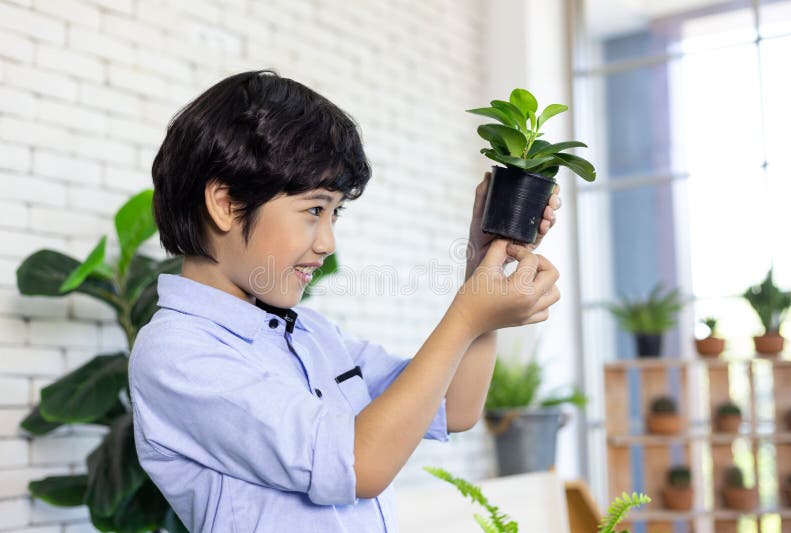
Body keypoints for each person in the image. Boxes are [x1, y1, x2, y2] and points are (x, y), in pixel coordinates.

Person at [128, 69, 561, 533]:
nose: (328, 242)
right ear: (227, 204)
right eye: (315, 210)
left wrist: (483, 265)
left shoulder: (310, 334)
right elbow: (360, 464)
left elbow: (455, 407)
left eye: (335, 213)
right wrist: (467, 316)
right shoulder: (177, 354)